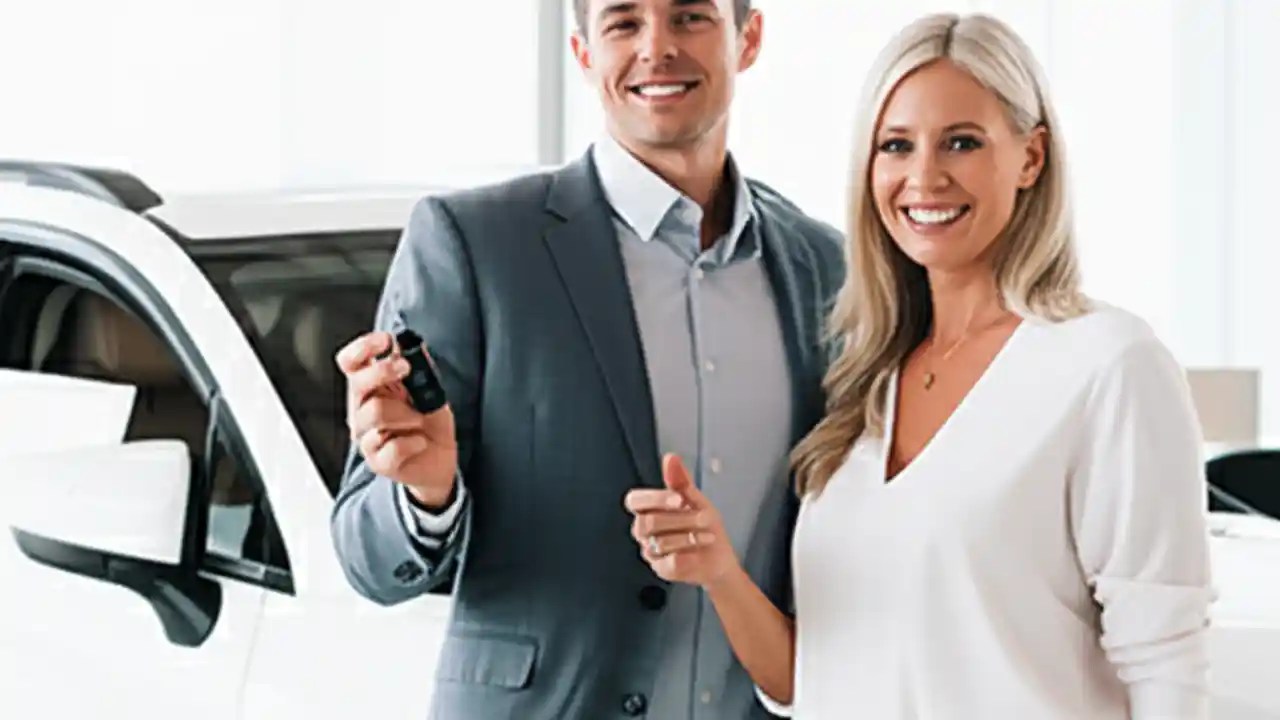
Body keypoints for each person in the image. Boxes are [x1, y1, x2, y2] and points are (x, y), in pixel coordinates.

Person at [626, 12, 1214, 720]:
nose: (923, 177)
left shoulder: (1109, 365)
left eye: (961, 143)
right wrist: (719, 571)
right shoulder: (865, 382)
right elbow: (806, 684)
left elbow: (1167, 671)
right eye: (895, 146)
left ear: (1031, 157)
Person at [329, 0, 844, 718]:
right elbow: (366, 560)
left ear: (747, 37)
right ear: (582, 53)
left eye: (691, 16)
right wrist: (424, 495)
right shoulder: (477, 245)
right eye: (624, 22)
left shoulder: (824, 266)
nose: (656, 48)